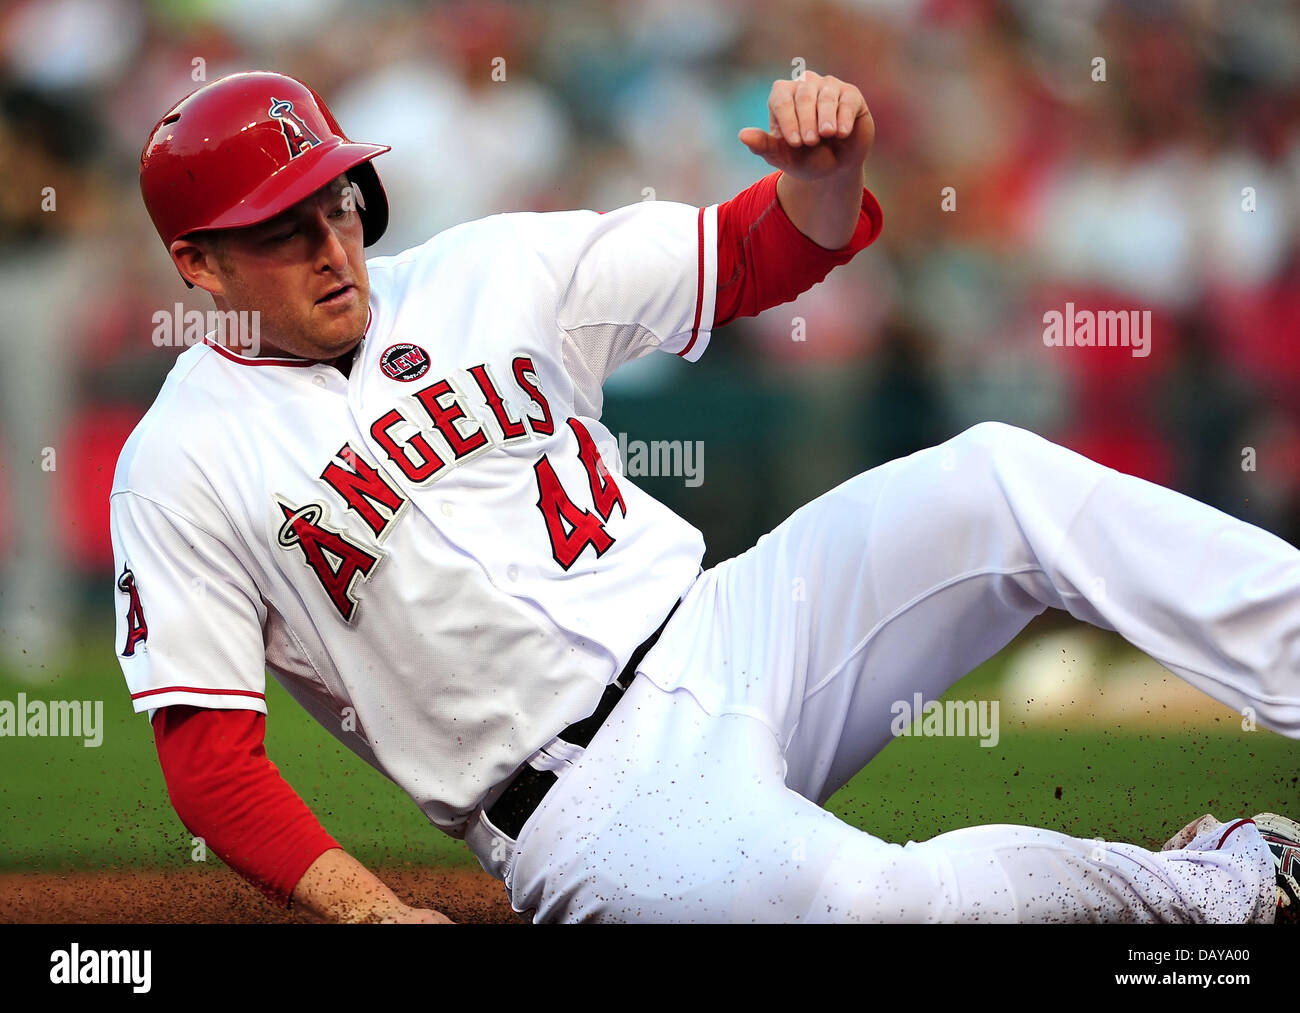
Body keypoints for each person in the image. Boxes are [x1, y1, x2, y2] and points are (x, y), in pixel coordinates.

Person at [112, 69, 1299, 924]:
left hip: (732, 624)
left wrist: (823, 183)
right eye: (282, 229)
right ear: (198, 262)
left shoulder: (487, 269)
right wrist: (372, 911)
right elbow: (211, 761)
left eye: (337, 199)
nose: (331, 244)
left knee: (999, 477)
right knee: (873, 899)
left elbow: (757, 252)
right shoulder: (181, 460)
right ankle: (1227, 886)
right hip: (592, 802)